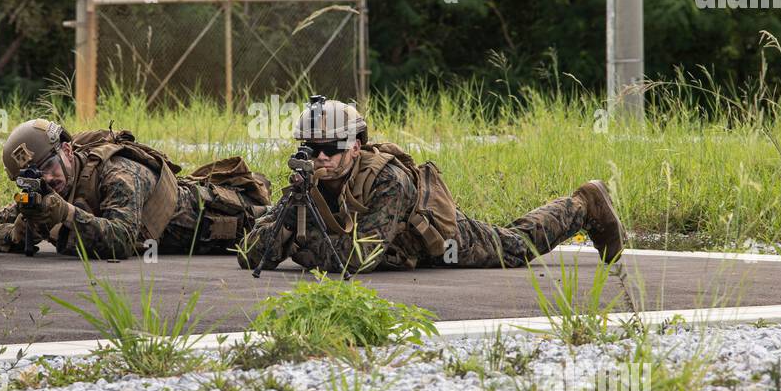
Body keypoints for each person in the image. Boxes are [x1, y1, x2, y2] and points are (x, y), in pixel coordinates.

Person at [237, 97, 625, 274]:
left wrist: (302, 247)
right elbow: (251, 257)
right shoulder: (306, 184)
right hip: (399, 252)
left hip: (439, 238)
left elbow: (355, 262)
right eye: (311, 148)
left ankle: (583, 205)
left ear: (355, 146)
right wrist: (291, 214)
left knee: (516, 247)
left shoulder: (386, 178)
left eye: (331, 148)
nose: (321, 157)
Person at [0, 119, 270, 259]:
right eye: (34, 177)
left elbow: (121, 242)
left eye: (49, 166)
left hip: (229, 223)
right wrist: (16, 232)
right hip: (176, 242)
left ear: (67, 150)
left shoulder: (117, 172)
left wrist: (65, 214)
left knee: (277, 229)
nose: (47, 180)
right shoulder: (51, 191)